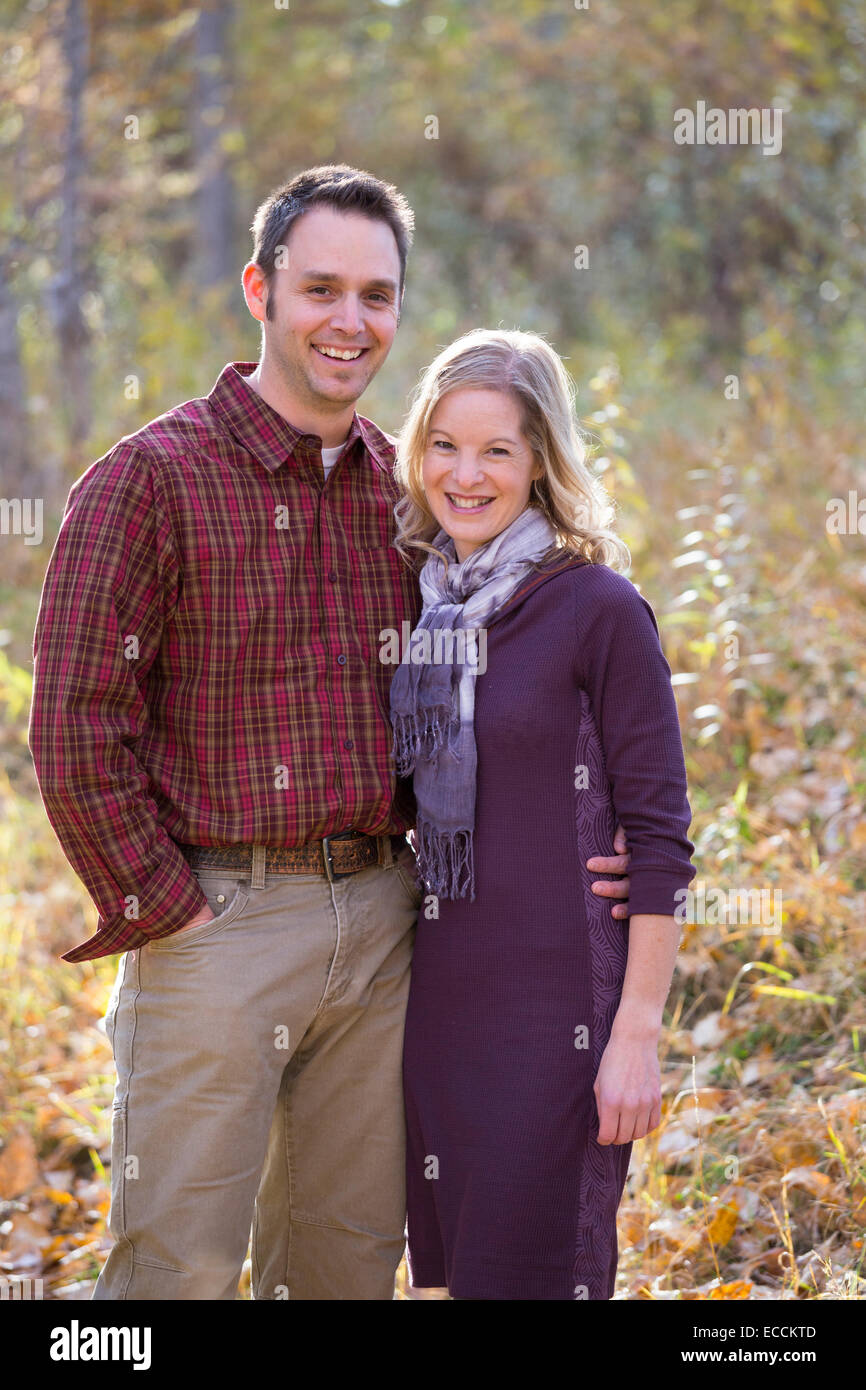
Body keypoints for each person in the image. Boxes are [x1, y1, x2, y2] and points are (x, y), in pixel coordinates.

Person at [27, 168, 635, 1300]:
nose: (348, 322)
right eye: (319, 289)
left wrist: (592, 837)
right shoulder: (149, 479)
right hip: (217, 918)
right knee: (175, 1268)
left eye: (375, 294)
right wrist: (174, 909)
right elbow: (71, 723)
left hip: (390, 925)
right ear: (260, 289)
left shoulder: (407, 500)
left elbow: (520, 688)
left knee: (346, 1264)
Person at [390, 329, 696, 1301]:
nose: (464, 474)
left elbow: (657, 841)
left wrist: (635, 1033)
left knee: (535, 1273)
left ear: (541, 463)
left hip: (557, 1008)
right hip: (437, 1001)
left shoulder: (597, 609)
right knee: (452, 1278)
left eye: (496, 451)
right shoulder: (424, 607)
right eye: (443, 443)